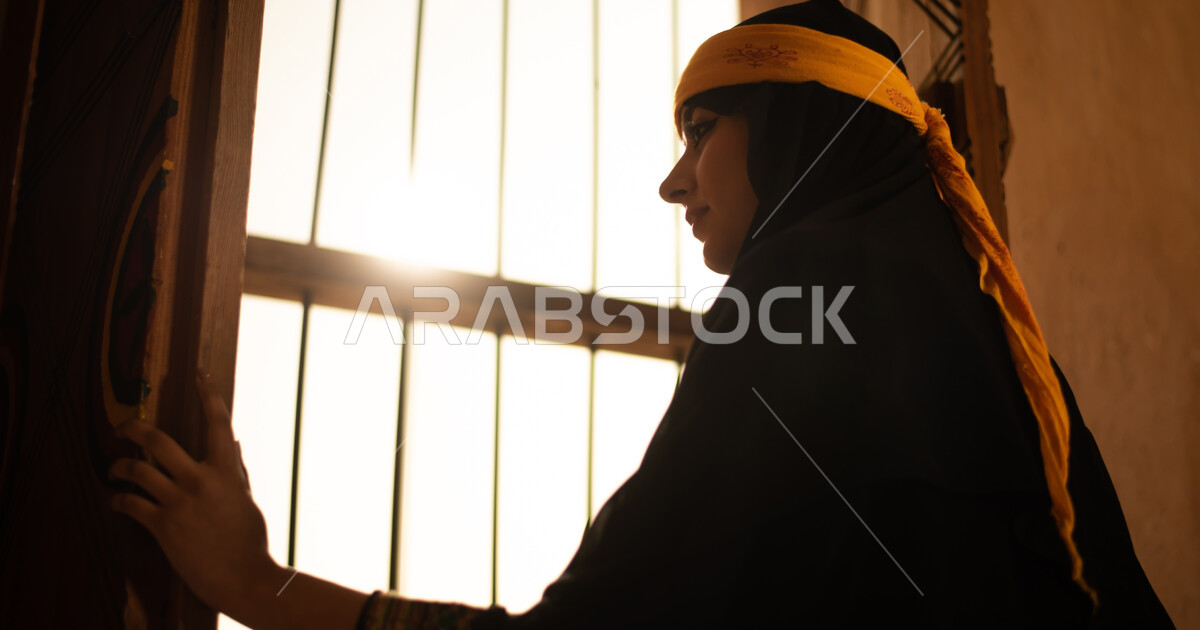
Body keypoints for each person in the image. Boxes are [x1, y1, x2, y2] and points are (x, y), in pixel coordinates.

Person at [108, 1, 1174, 628]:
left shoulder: (804, 303)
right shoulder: (986, 342)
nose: (673, 184)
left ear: (798, 127)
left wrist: (259, 582)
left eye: (701, 128)